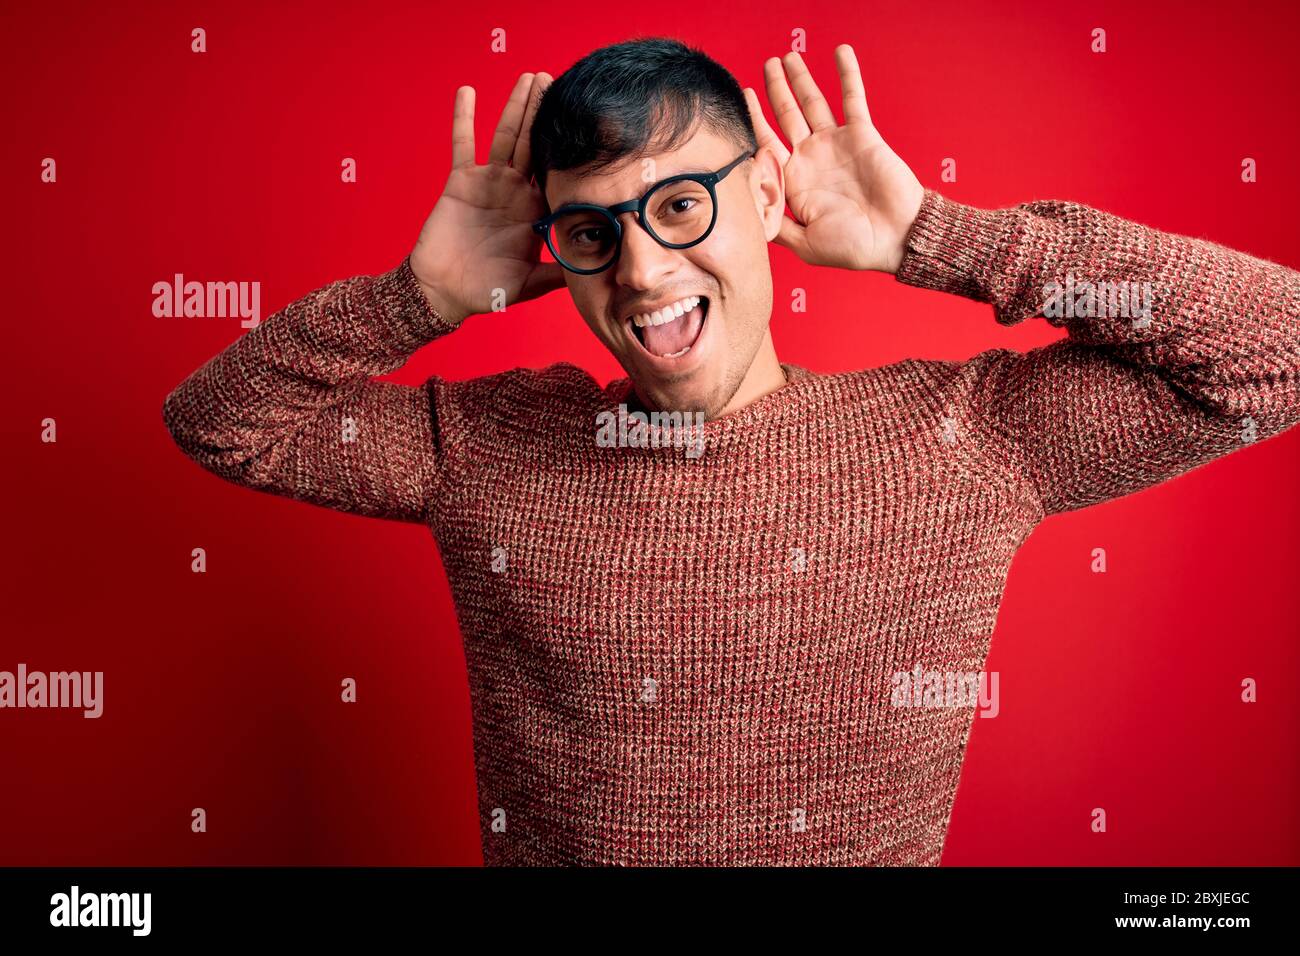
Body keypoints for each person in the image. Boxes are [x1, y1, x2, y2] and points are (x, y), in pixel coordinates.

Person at [161, 37, 1300, 865]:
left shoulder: (961, 443)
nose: (644, 273)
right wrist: (416, 298)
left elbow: (1278, 347)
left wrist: (940, 238)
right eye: (596, 232)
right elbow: (219, 421)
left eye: (682, 207)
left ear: (764, 195)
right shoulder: (492, 448)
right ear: (555, 247)